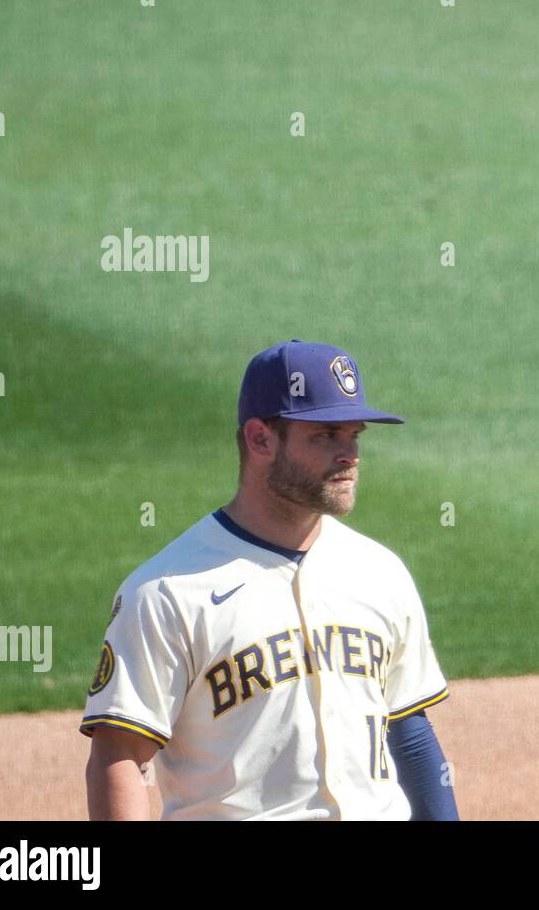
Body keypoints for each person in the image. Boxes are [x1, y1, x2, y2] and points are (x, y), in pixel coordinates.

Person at [82, 339, 458, 820]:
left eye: (354, 435)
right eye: (325, 436)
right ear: (260, 439)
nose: (349, 455)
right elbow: (120, 759)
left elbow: (409, 732)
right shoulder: (165, 592)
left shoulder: (381, 572)